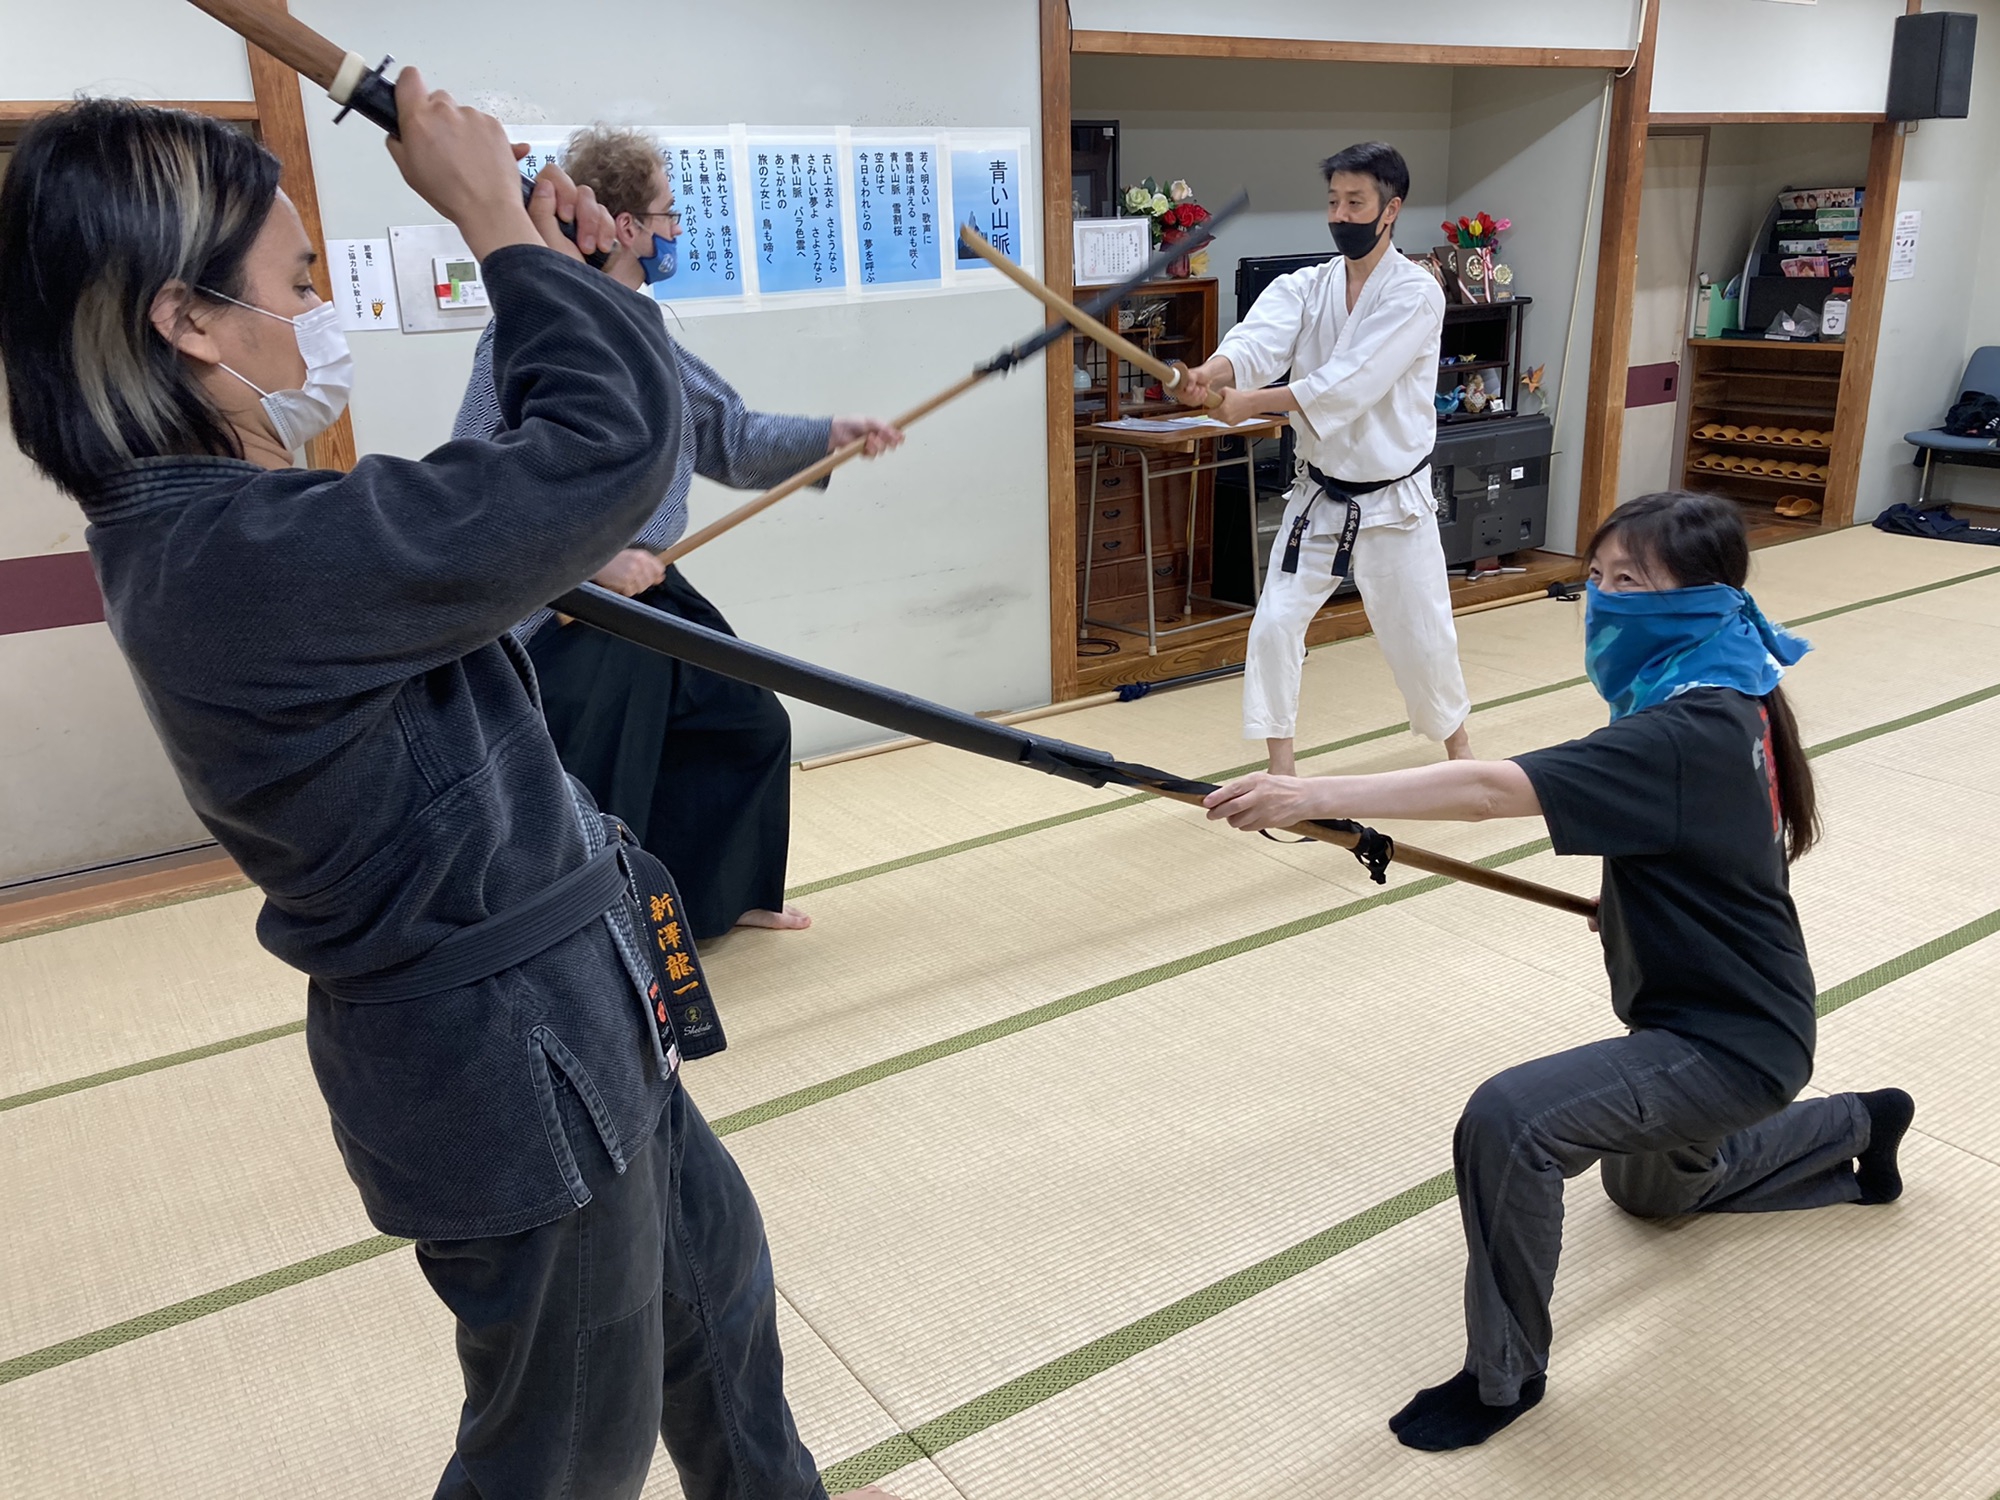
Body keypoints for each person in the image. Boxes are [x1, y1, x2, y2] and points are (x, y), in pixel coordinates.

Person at [0, 84, 898, 1500]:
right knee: (559, 1456)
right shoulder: (236, 558)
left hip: (576, 1004)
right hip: (502, 1056)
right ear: (188, 322)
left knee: (717, 1319)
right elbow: (595, 461)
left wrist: (553, 264)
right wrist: (493, 223)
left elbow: (591, 455)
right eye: (299, 283)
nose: (320, 314)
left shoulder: (255, 530)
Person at [1203, 490, 1914, 1452]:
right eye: (1600, 579)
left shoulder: (1689, 727)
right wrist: (1626, 910)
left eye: (1634, 583)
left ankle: (1503, 1377)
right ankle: (1860, 1125)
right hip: (1728, 1011)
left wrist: (1307, 790)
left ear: (1706, 597)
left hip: (1729, 1043)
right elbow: (1703, 849)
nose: (1607, 600)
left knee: (1513, 1119)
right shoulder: (1721, 683)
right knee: (1653, 1197)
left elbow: (1490, 789)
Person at [454, 124, 903, 942]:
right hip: (572, 603)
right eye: (667, 213)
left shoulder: (642, 327)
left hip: (655, 582)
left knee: (745, 723)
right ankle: (601, 941)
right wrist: (591, 567)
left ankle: (720, 897)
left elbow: (728, 434)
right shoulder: (527, 329)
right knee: (599, 771)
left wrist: (829, 436)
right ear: (624, 227)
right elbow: (478, 477)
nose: (677, 230)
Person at [1176, 141, 1472, 776]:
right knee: (1275, 625)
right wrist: (1210, 375)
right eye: (1334, 201)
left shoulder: (1416, 294)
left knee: (1421, 638)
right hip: (1318, 496)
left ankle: (1461, 755)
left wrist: (1249, 403)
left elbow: (1349, 384)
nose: (1340, 215)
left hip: (1394, 502)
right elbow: (1256, 343)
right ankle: (1281, 771)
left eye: (1355, 202)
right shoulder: (1308, 286)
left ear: (1390, 209)